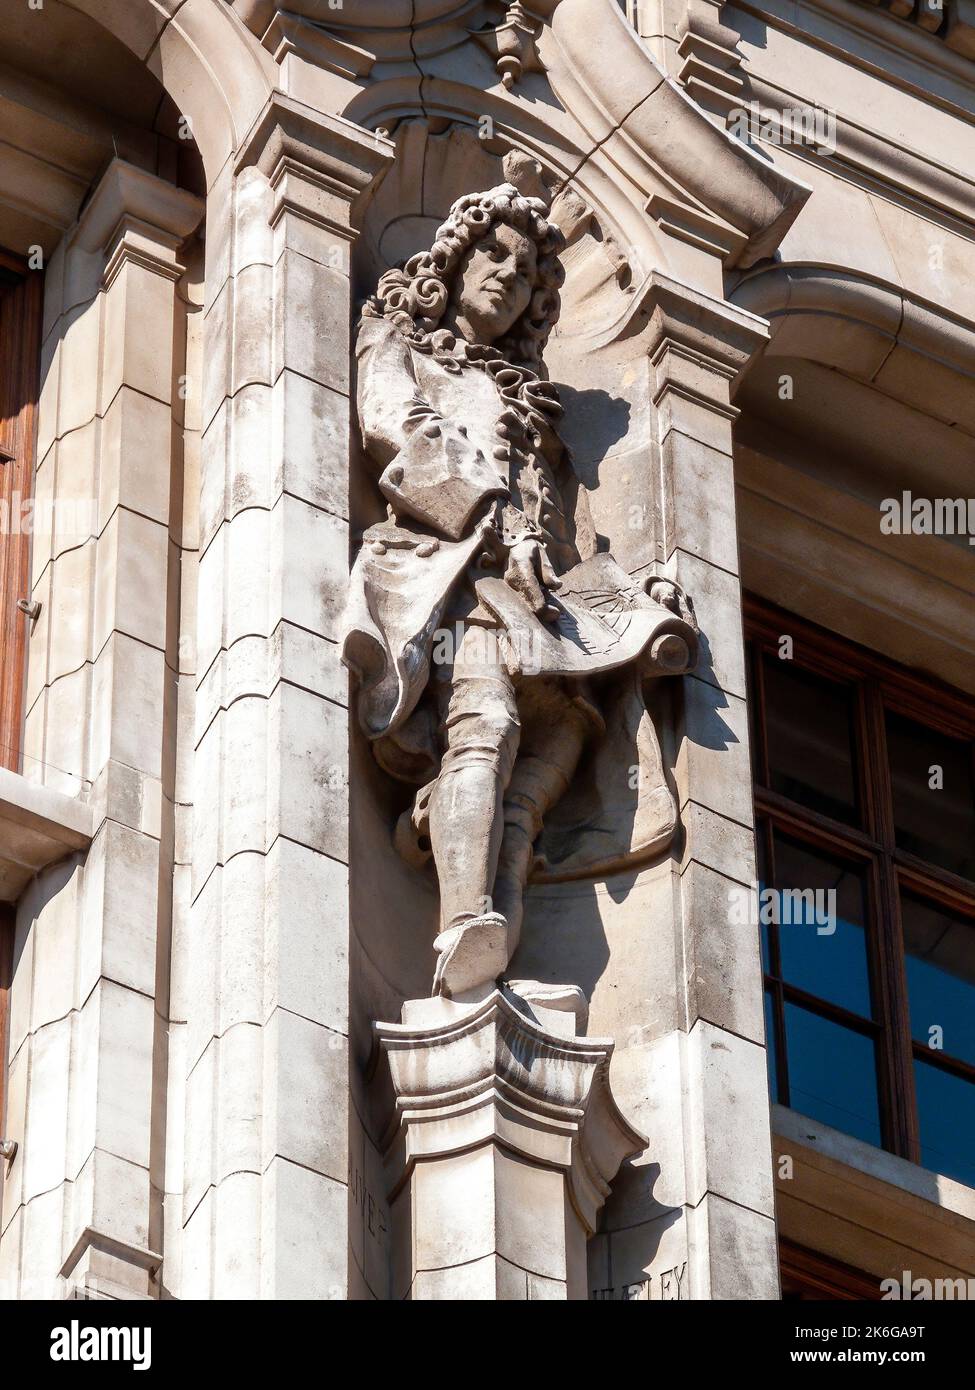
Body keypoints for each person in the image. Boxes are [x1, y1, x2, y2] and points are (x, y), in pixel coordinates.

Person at [342, 182, 697, 1000]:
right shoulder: (400, 340)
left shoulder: (529, 408)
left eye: (527, 269)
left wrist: (629, 595)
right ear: (455, 263)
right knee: (485, 726)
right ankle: (464, 912)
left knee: (545, 764)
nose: (507, 275)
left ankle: (490, 938)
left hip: (544, 604)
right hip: (463, 580)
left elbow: (562, 530)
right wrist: (496, 519)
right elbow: (393, 426)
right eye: (492, 255)